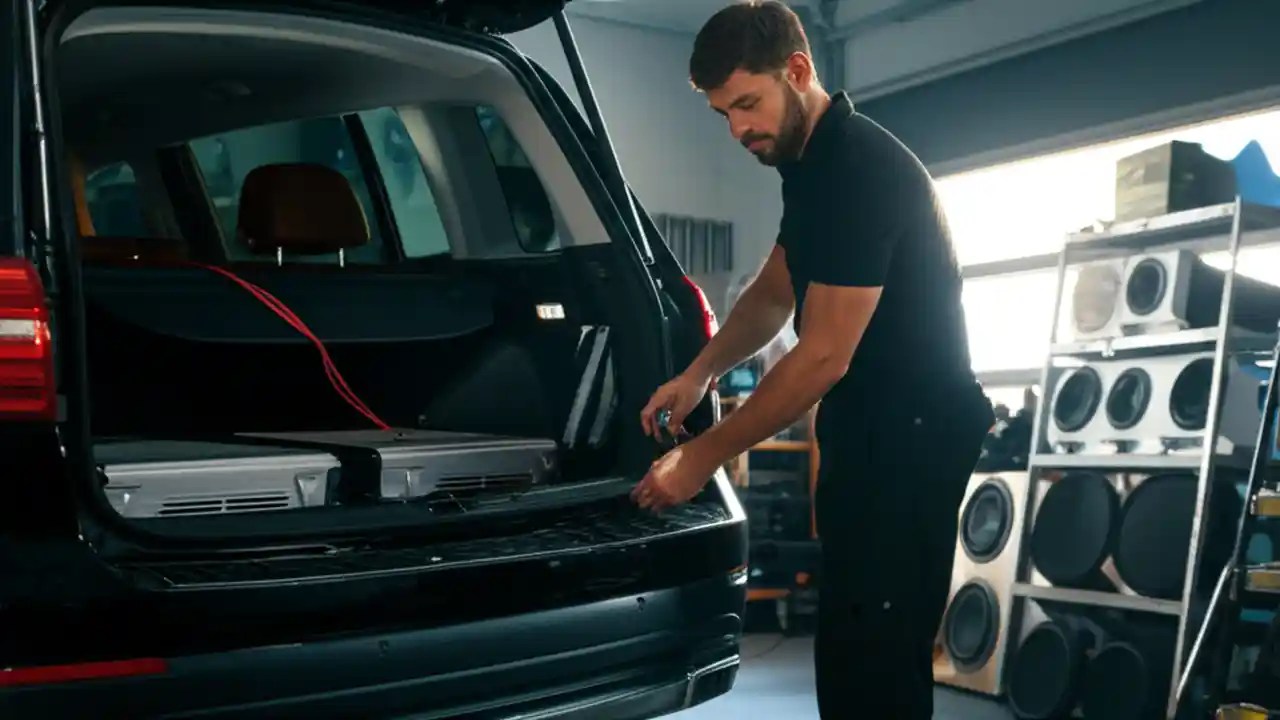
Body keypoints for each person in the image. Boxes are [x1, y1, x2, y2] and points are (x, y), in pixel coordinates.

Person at [629, 2, 995, 718]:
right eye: (723, 114)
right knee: (850, 644)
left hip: (913, 439)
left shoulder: (859, 169)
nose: (737, 130)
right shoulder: (810, 166)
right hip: (870, 426)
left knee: (879, 658)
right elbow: (774, 291)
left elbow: (824, 353)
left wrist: (703, 455)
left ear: (797, 70)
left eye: (747, 104)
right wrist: (699, 372)